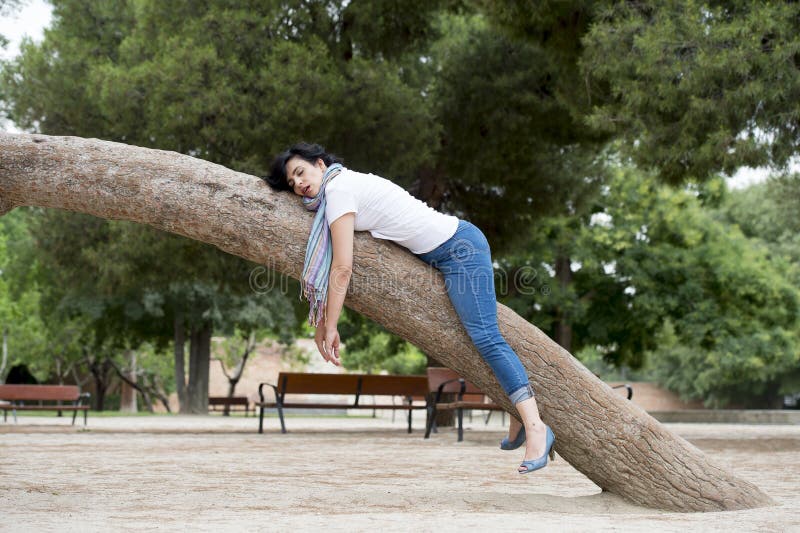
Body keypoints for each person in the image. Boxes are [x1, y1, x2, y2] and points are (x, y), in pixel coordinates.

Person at [265, 142, 555, 473]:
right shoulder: (342, 186)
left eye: (300, 172)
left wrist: (330, 325)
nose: (298, 184)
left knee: (486, 337)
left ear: (320, 164)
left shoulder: (339, 190)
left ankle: (536, 428)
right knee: (472, 343)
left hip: (458, 249)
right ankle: (518, 414)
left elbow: (341, 268)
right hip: (442, 256)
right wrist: (321, 323)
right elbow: (333, 259)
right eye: (291, 183)